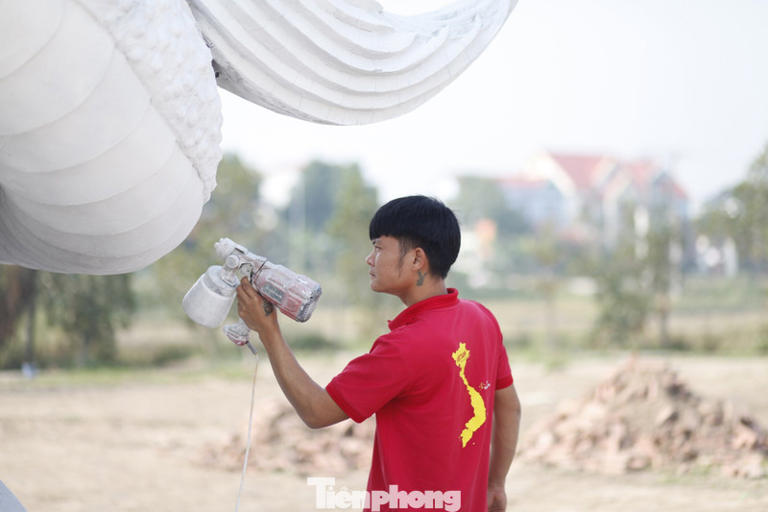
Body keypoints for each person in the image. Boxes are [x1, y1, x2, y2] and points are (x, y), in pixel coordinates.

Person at [236, 195, 521, 512]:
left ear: (416, 259)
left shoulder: (404, 347)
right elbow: (509, 407)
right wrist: (495, 485)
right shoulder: (480, 319)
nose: (369, 259)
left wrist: (269, 332)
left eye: (378, 247)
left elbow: (317, 412)